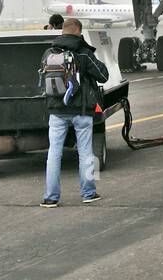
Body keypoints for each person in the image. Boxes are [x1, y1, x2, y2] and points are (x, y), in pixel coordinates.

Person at [40, 18, 110, 207]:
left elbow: (42, 79)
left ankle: (50, 197)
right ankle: (88, 193)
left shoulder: (49, 52)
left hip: (56, 110)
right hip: (81, 110)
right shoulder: (83, 53)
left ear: (62, 31)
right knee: (86, 152)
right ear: (78, 31)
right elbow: (103, 75)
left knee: (54, 153)